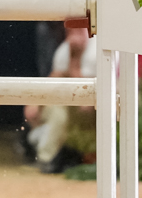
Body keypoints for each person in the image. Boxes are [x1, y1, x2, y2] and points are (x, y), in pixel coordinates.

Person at [24, 22, 94, 173]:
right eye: (70, 31)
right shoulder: (63, 51)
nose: (73, 36)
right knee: (56, 113)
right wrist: (36, 103)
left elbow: (88, 102)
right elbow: (55, 78)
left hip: (92, 109)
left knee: (62, 115)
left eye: (78, 30)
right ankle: (45, 158)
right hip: (71, 106)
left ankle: (47, 154)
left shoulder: (98, 51)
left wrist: (75, 63)